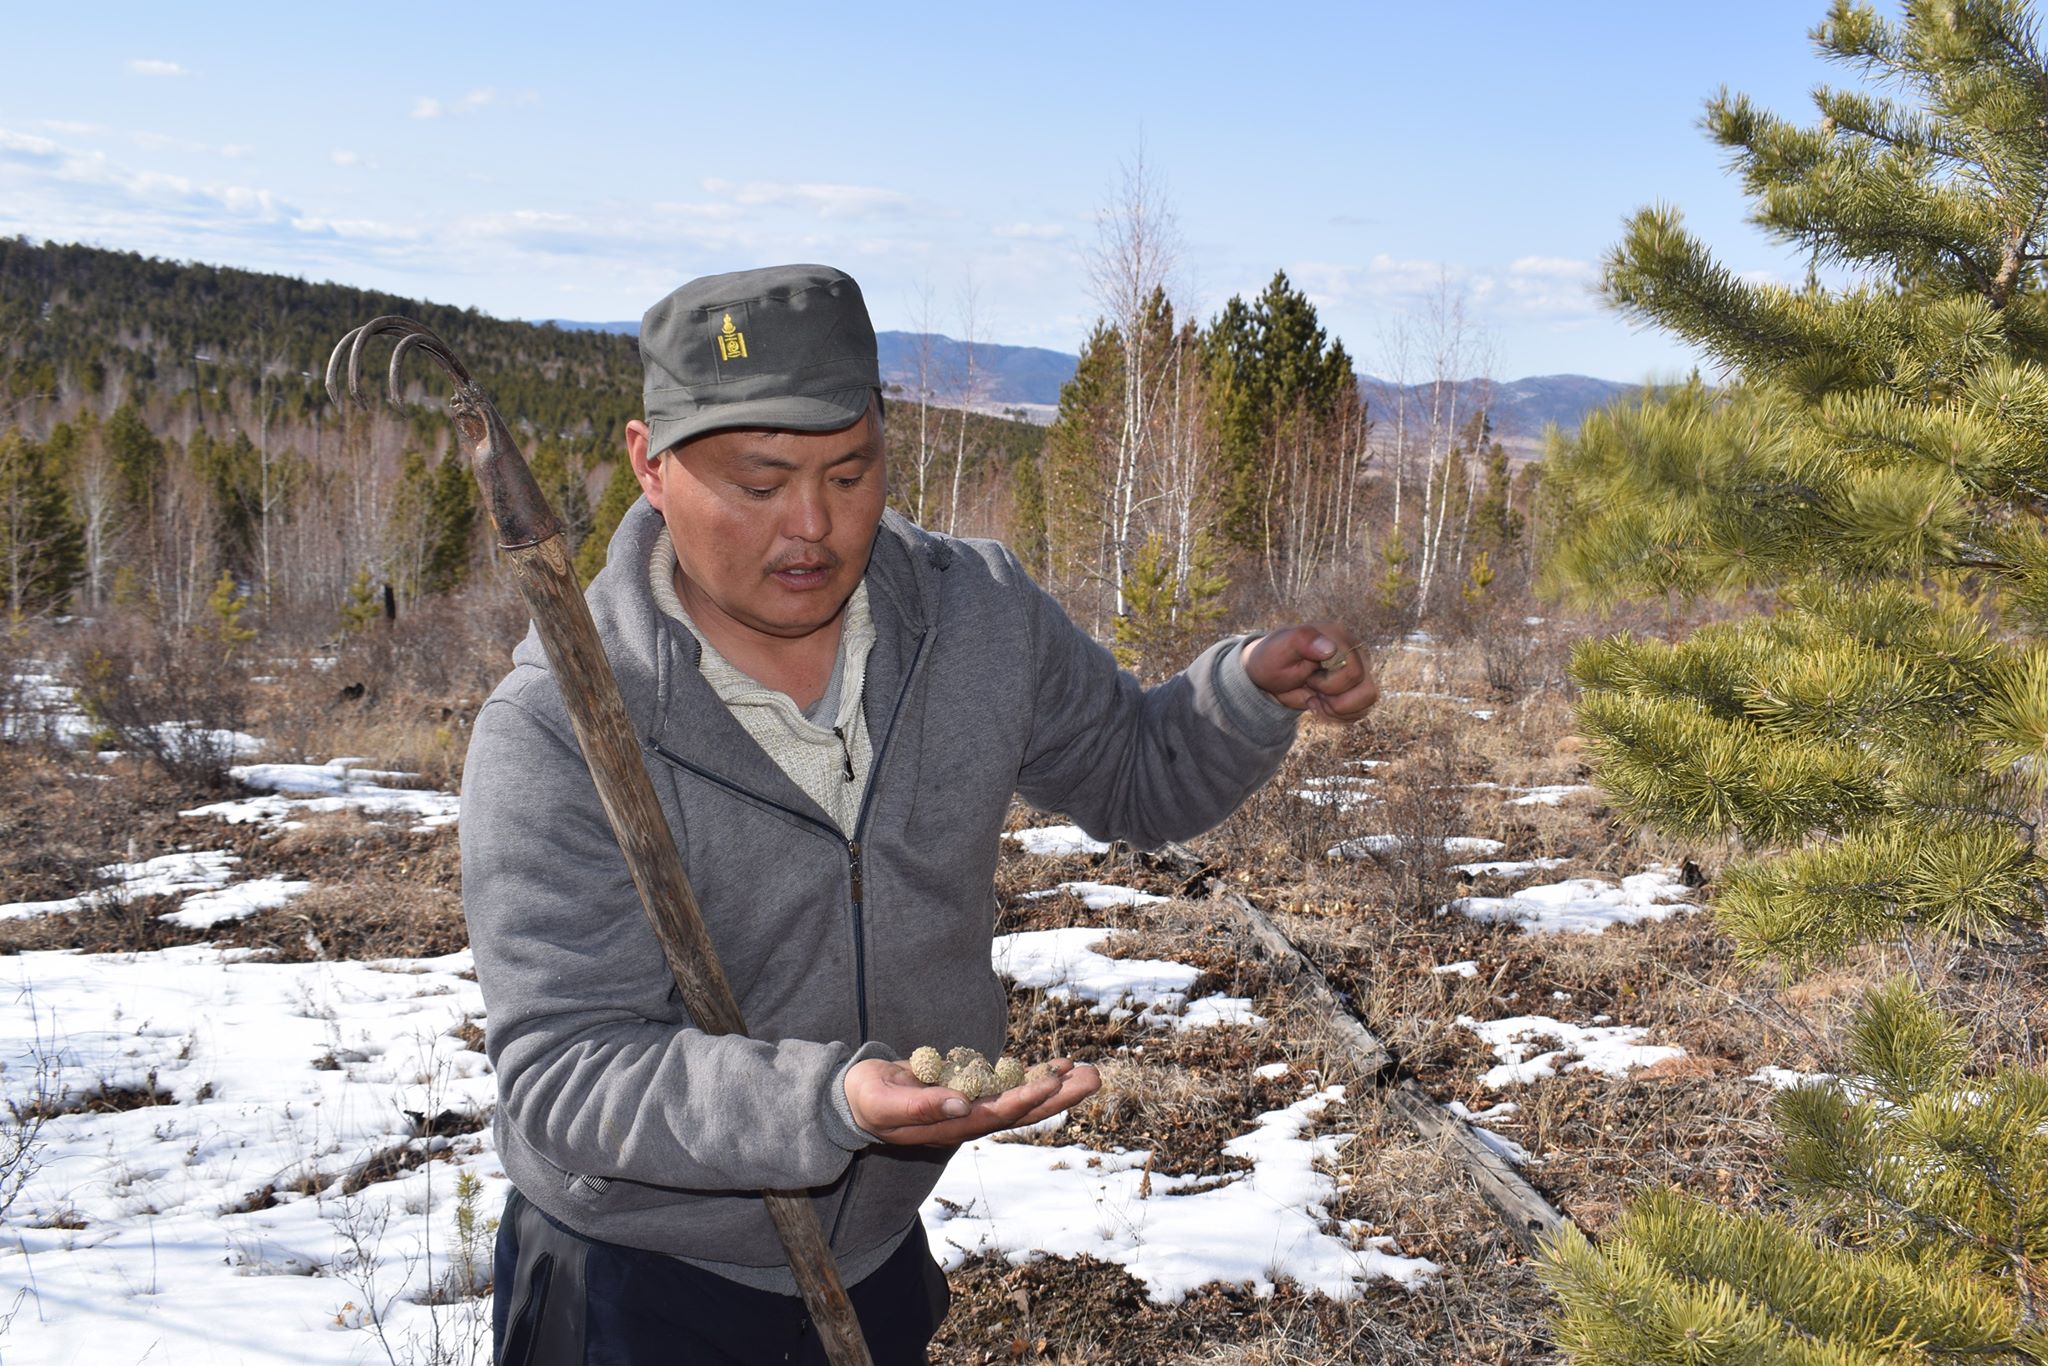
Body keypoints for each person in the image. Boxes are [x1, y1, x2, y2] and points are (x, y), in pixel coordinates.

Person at [460, 264, 1379, 1365]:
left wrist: (1242, 694)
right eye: (759, 483)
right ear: (649, 466)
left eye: (850, 473)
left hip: (875, 1261)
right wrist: (829, 1098)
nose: (812, 525)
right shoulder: (562, 724)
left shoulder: (975, 618)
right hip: (629, 1286)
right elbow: (568, 1070)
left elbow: (1135, 771)